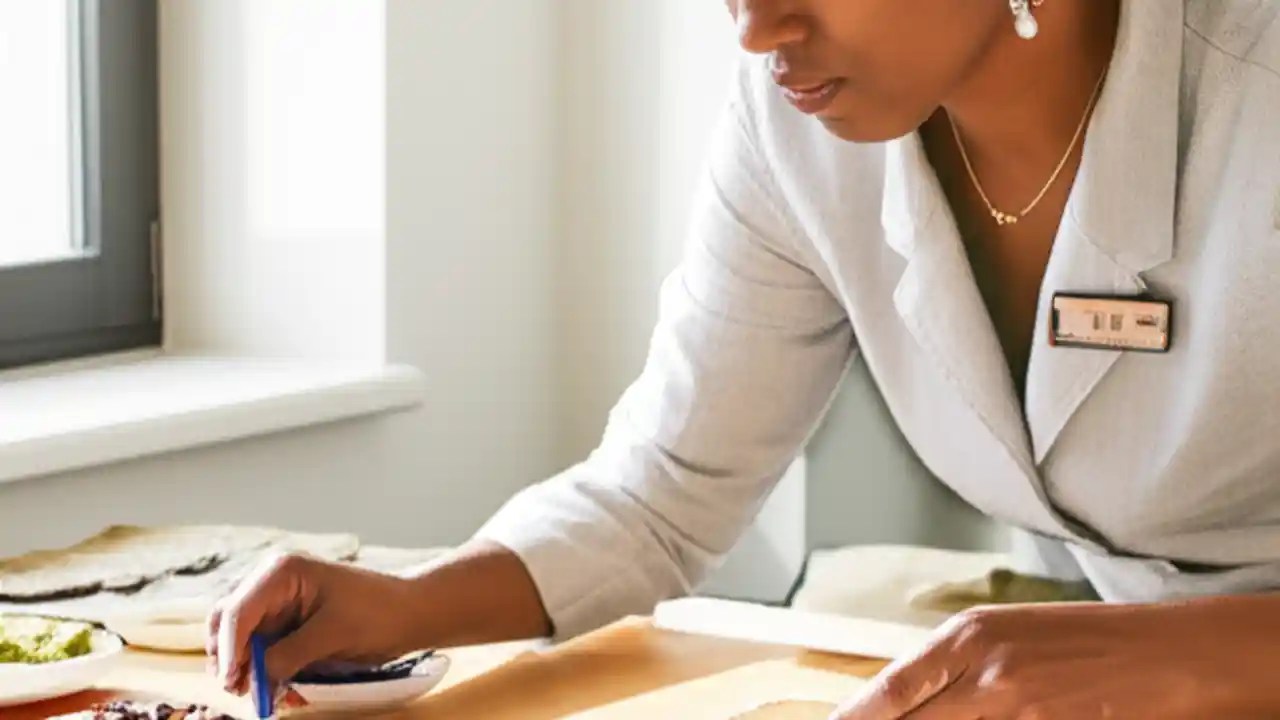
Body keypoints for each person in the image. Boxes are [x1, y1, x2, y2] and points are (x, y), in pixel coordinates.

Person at [209, 0, 1280, 716]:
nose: (756, 26)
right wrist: (411, 602)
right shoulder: (794, 126)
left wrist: (1173, 656)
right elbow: (664, 493)